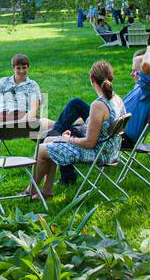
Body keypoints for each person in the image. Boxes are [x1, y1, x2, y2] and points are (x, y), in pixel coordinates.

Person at [32, 60, 126, 198]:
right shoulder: (117, 99)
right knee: (50, 139)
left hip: (98, 154)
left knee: (42, 149)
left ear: (91, 78)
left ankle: (31, 190)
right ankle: (46, 190)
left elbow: (89, 143)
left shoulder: (98, 105)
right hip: (110, 150)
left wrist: (68, 139)